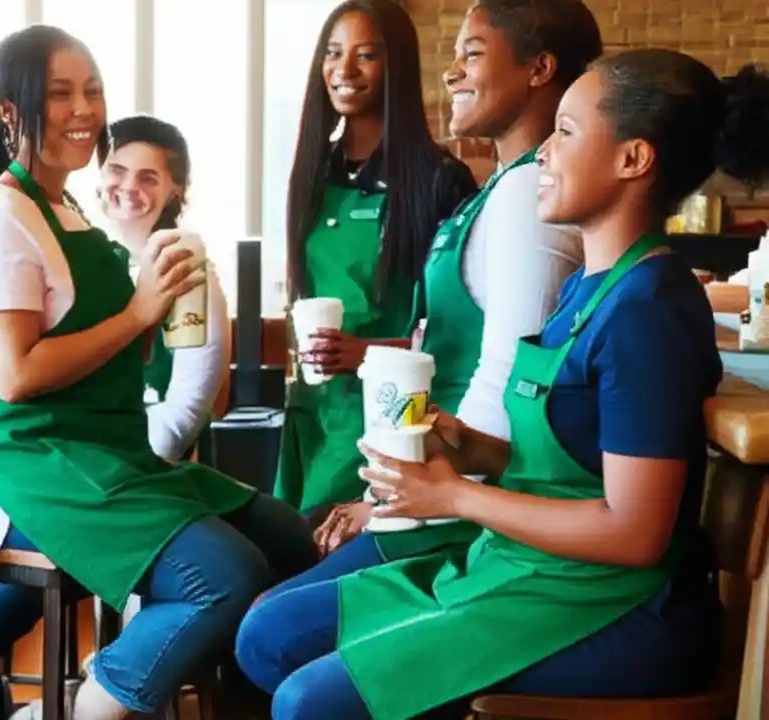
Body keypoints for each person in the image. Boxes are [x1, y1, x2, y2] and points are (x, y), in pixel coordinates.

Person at [237, 47, 769, 720]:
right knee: (266, 638)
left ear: (633, 159)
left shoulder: (648, 313)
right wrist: (467, 446)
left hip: (617, 605)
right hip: (530, 568)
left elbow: (634, 532)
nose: (543, 152)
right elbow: (571, 459)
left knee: (308, 702)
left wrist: (456, 496)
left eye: (567, 132)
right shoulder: (587, 287)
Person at [0, 25, 317, 720]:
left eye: (92, 90)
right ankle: (87, 704)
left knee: (290, 542)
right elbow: (14, 372)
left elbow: (117, 359)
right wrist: (141, 312)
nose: (85, 108)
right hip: (34, 459)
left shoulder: (68, 210)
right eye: (61, 93)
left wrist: (168, 308)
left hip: (112, 451)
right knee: (224, 579)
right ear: (9, 111)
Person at [292, 0, 598, 583]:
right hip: (430, 467)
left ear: (539, 70)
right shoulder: (499, 191)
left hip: (462, 498)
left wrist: (399, 498)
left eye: (472, 54)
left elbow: (505, 382)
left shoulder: (524, 196)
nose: (452, 71)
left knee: (265, 632)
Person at [274, 0, 478, 518]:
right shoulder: (313, 174)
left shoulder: (438, 181)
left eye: (366, 55)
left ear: (398, 66)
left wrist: (367, 351)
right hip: (314, 411)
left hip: (387, 411)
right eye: (333, 53)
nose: (344, 71)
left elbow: (456, 333)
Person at [98, 114, 231, 462]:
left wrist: (130, 474)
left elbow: (187, 410)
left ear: (176, 189)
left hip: (160, 472)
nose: (129, 187)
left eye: (148, 178)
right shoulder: (85, 256)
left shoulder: (185, 266)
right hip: (90, 463)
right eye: (117, 170)